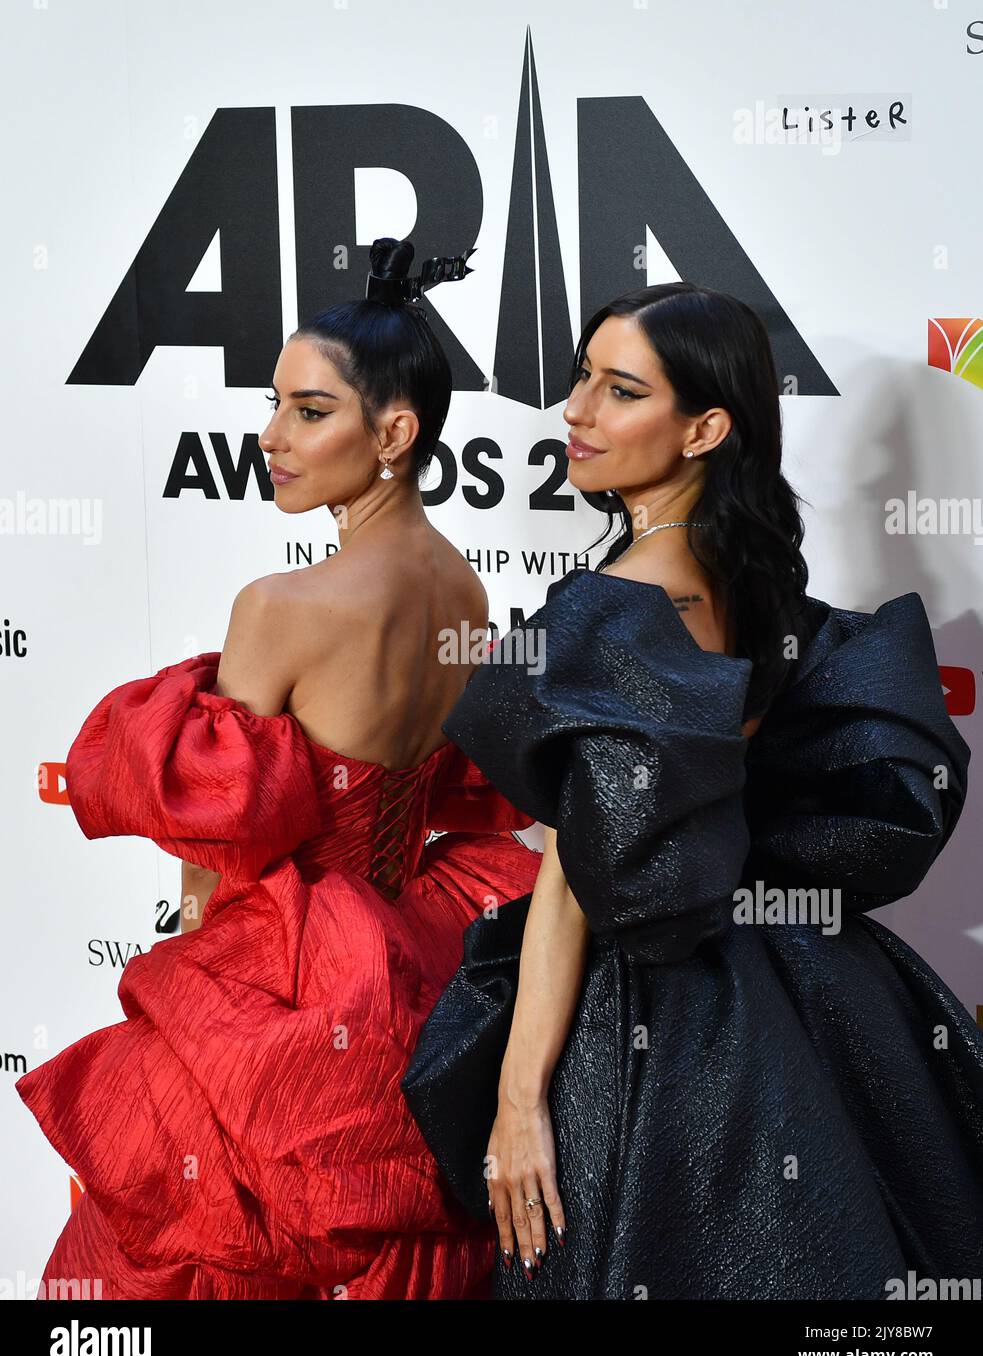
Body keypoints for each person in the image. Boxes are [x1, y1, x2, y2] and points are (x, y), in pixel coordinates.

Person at [401, 281, 983, 1300]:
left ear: (705, 426)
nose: (574, 412)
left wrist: (521, 1095)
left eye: (619, 390)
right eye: (582, 376)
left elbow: (585, 873)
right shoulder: (739, 574)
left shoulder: (625, 598)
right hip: (803, 986)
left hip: (662, 1023)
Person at [16, 237, 542, 1300]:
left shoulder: (281, 608)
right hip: (416, 964)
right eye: (273, 405)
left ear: (393, 433)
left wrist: (194, 981)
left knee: (202, 1245)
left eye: (309, 412)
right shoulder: (463, 594)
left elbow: (216, 836)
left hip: (278, 973)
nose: (269, 437)